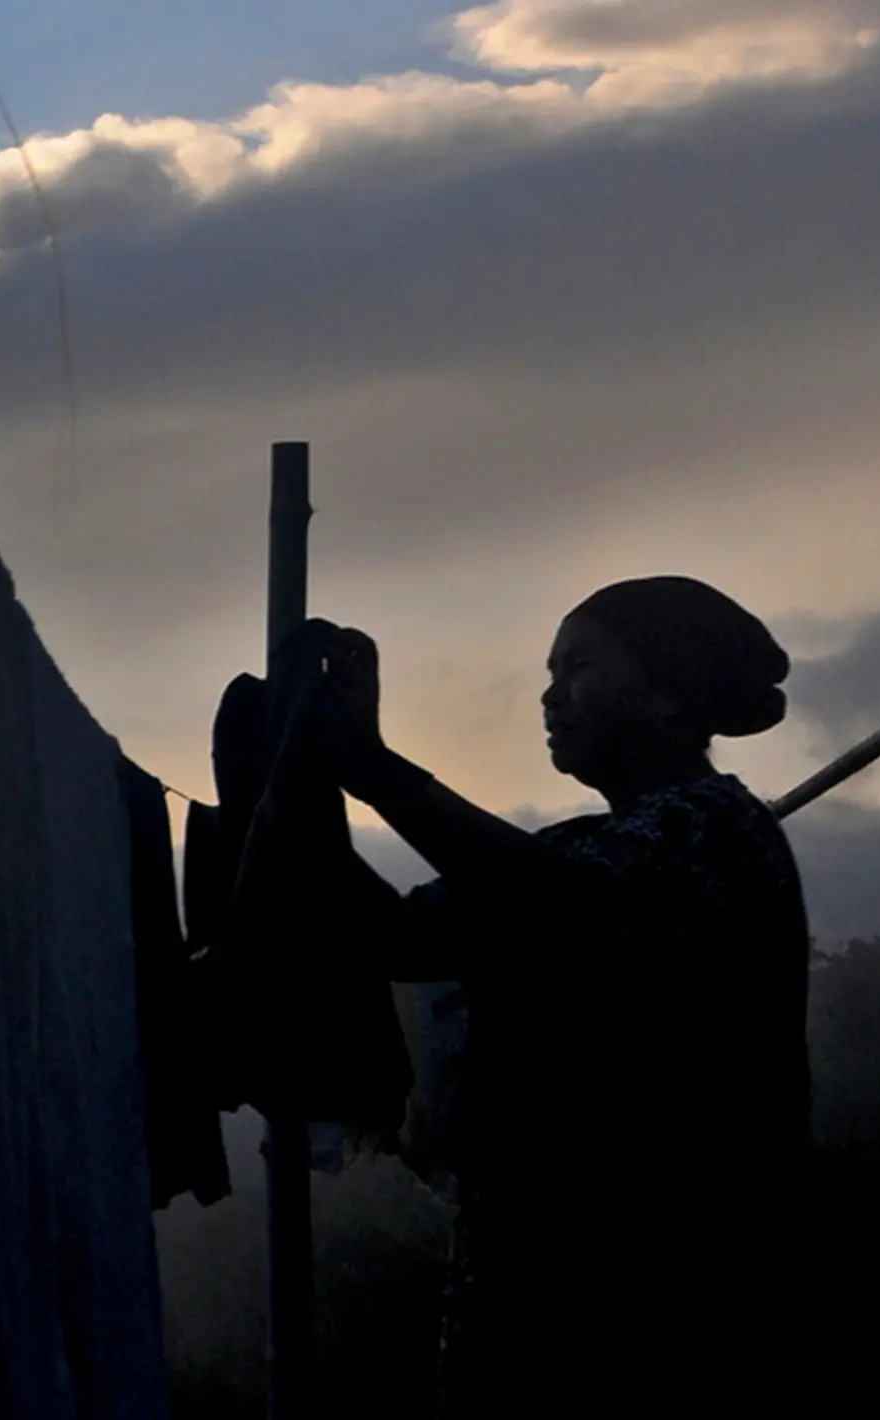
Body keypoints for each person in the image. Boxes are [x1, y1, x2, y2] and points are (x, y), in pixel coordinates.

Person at [291, 576, 811, 1417]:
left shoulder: (716, 832)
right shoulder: (589, 851)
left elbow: (552, 897)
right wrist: (292, 780)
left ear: (668, 695)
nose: (549, 695)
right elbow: (397, 937)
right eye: (550, 670)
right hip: (535, 1312)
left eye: (578, 668)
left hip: (662, 1319)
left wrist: (371, 767)